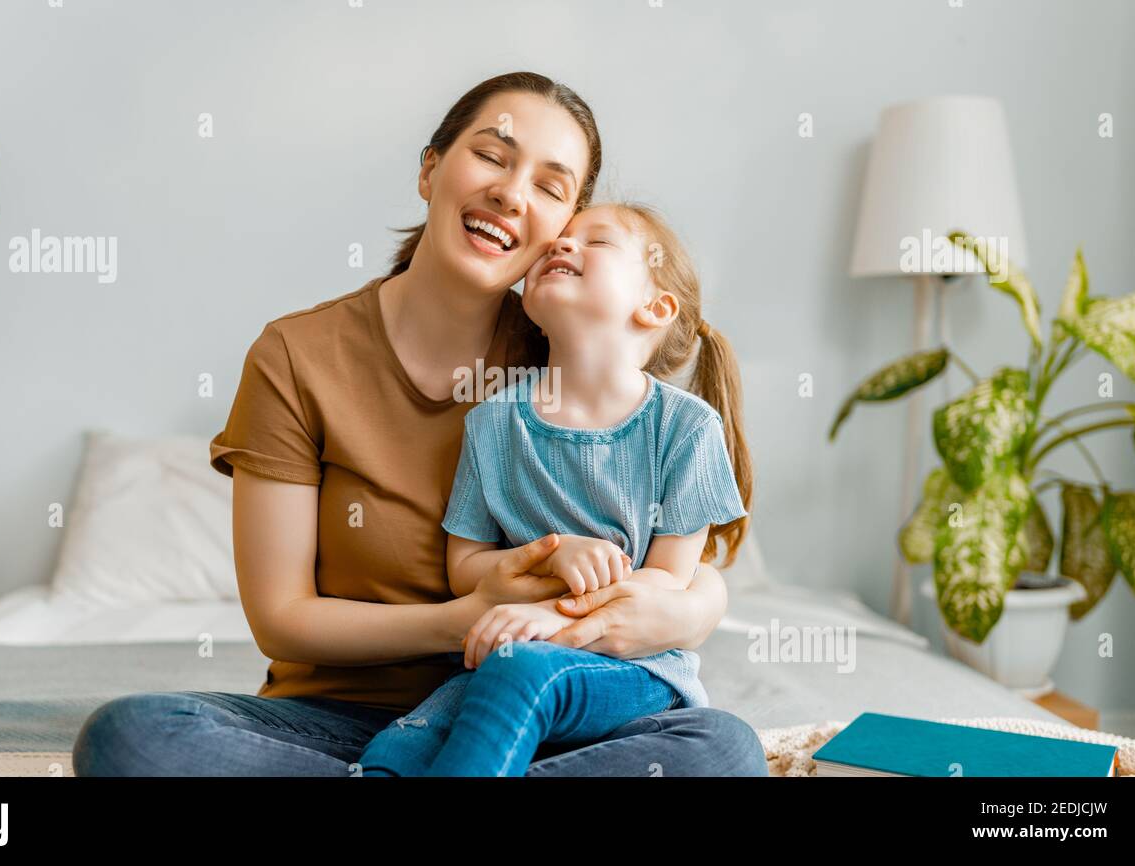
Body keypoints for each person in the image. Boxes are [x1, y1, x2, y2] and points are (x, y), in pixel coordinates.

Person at [72, 72, 766, 777]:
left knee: (724, 750)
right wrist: (468, 618)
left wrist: (690, 613)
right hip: (337, 719)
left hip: (551, 719)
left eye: (550, 187)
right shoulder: (297, 356)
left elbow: (685, 570)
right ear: (430, 169)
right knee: (134, 736)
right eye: (491, 156)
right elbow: (281, 618)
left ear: (565, 228)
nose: (511, 193)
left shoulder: (572, 349)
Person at [356, 202, 753, 776]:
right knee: (397, 748)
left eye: (597, 241)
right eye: (559, 241)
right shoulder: (492, 423)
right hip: (506, 657)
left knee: (525, 673)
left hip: (632, 665)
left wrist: (555, 621)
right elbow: (464, 567)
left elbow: (669, 579)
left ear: (655, 307)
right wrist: (551, 555)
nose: (562, 246)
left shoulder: (686, 427)